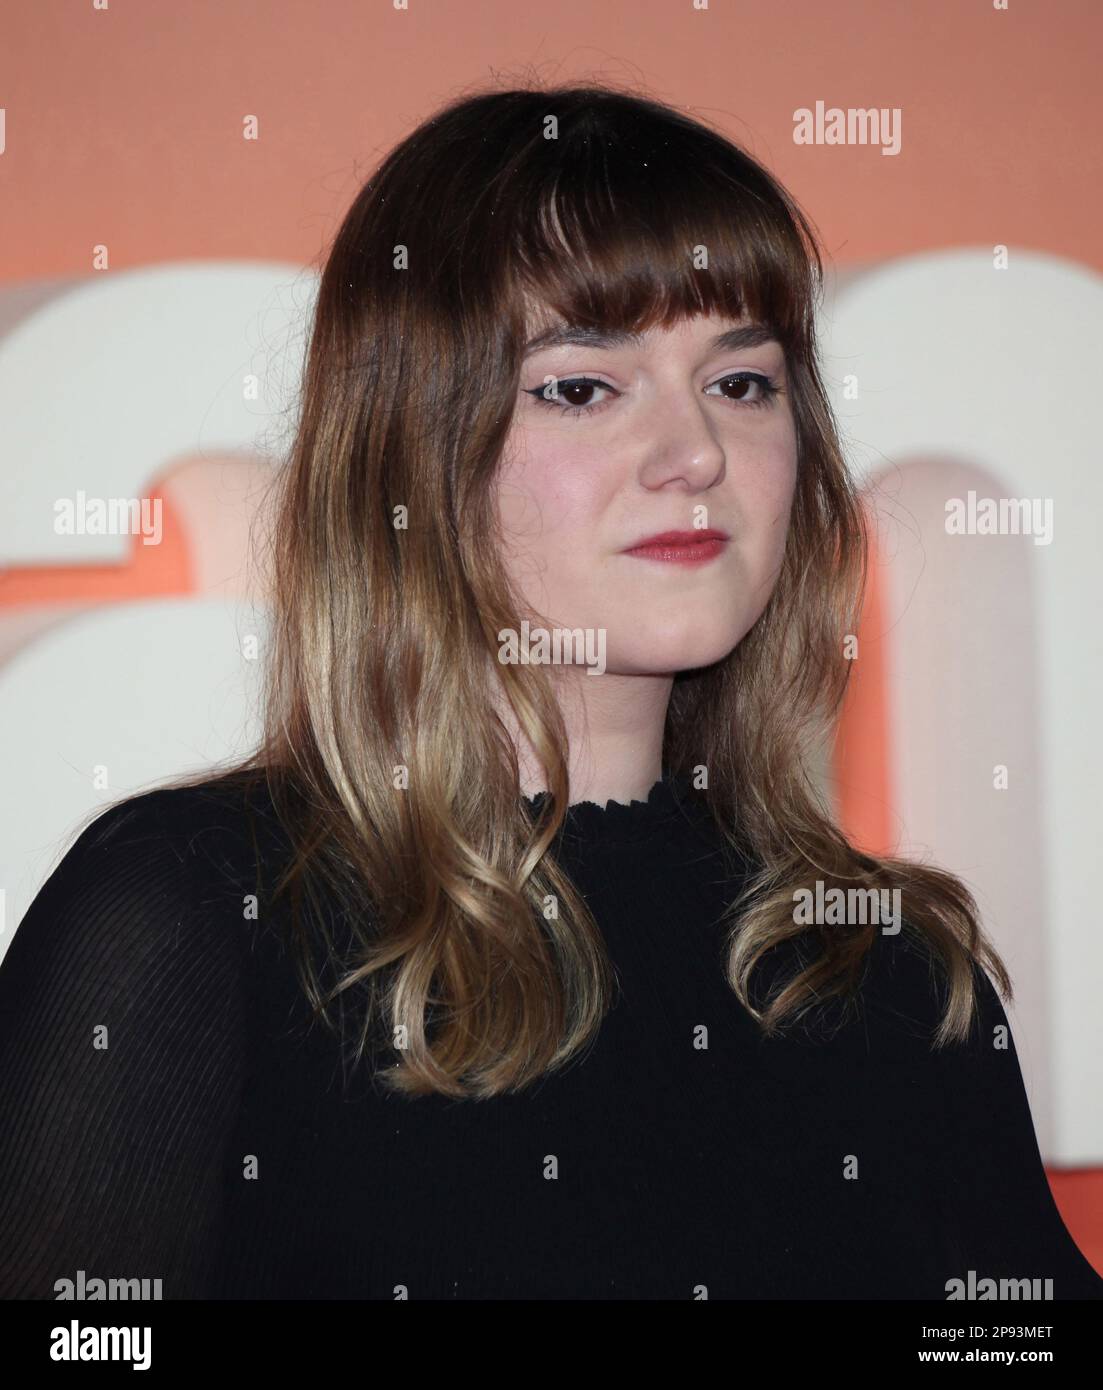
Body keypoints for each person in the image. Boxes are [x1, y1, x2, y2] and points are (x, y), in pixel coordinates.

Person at [0, 82, 1099, 1301]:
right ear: (408, 451)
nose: (695, 455)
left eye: (742, 381)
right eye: (581, 386)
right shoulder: (194, 909)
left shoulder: (880, 965)